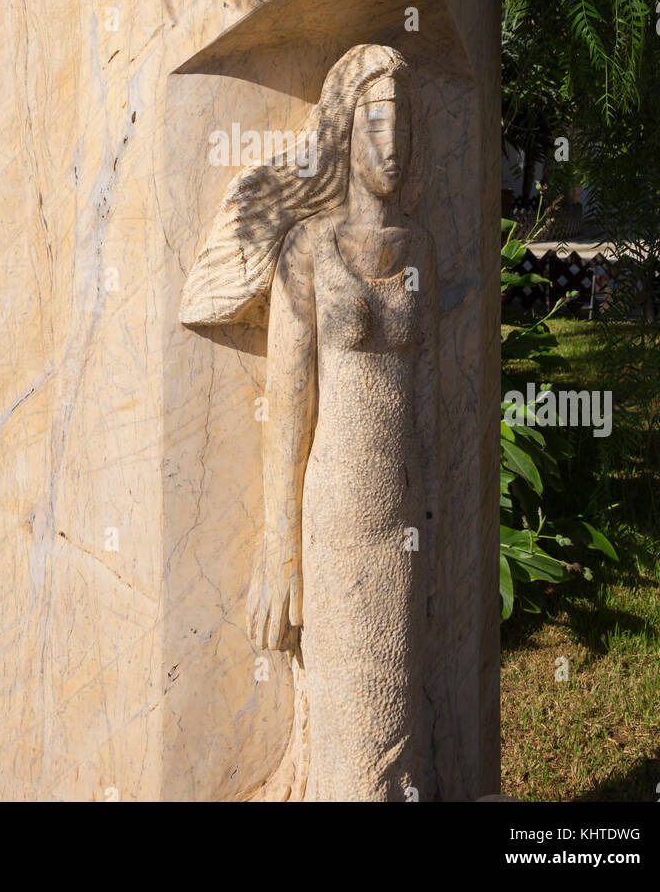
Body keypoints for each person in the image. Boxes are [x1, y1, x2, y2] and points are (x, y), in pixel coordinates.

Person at [180, 44, 438, 801]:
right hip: (336, 519)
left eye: (403, 126)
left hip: (402, 521)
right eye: (374, 124)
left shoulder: (421, 247)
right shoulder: (309, 251)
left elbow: (426, 407)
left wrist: (435, 526)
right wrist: (280, 549)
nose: (390, 145)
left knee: (397, 730)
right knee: (351, 737)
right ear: (344, 134)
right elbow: (287, 407)